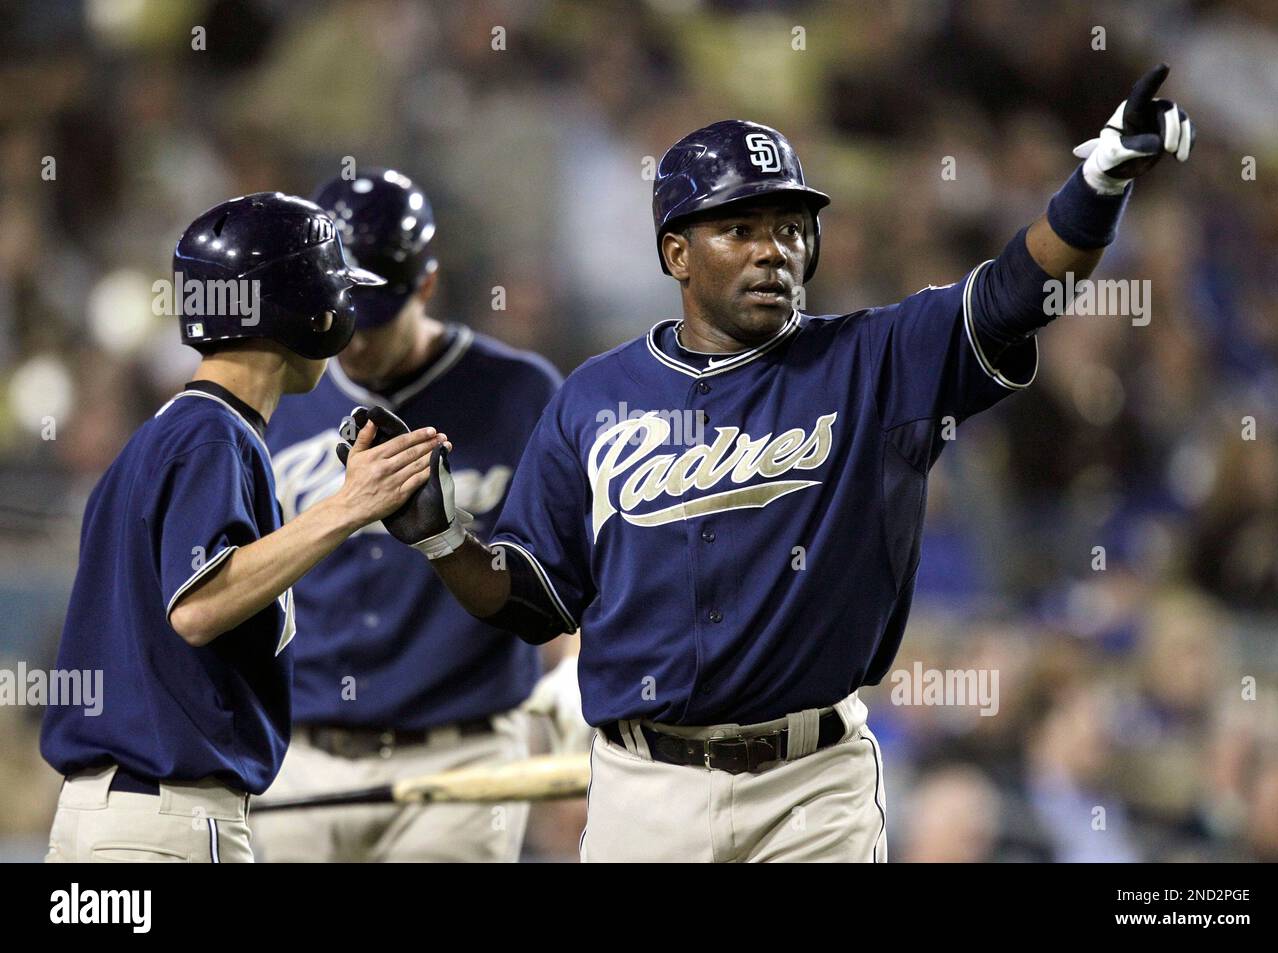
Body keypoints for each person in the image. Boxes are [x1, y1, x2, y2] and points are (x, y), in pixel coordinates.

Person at [338, 67, 1195, 862]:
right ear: (677, 253)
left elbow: (1017, 294)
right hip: (648, 786)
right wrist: (443, 539)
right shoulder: (594, 398)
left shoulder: (875, 360)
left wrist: (1099, 185)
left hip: (812, 786)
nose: (772, 248)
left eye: (790, 226)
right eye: (738, 227)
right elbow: (529, 598)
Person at [41, 192, 442, 863]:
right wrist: (346, 506)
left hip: (105, 818)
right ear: (302, 310)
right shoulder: (211, 435)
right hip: (164, 823)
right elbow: (198, 608)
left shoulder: (161, 435)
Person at [253, 168, 582, 863]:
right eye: (340, 308)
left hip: (464, 751)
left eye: (374, 315)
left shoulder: (518, 391)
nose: (355, 337)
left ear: (426, 285)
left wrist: (574, 674)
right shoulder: (278, 394)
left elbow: (566, 566)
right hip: (297, 751)